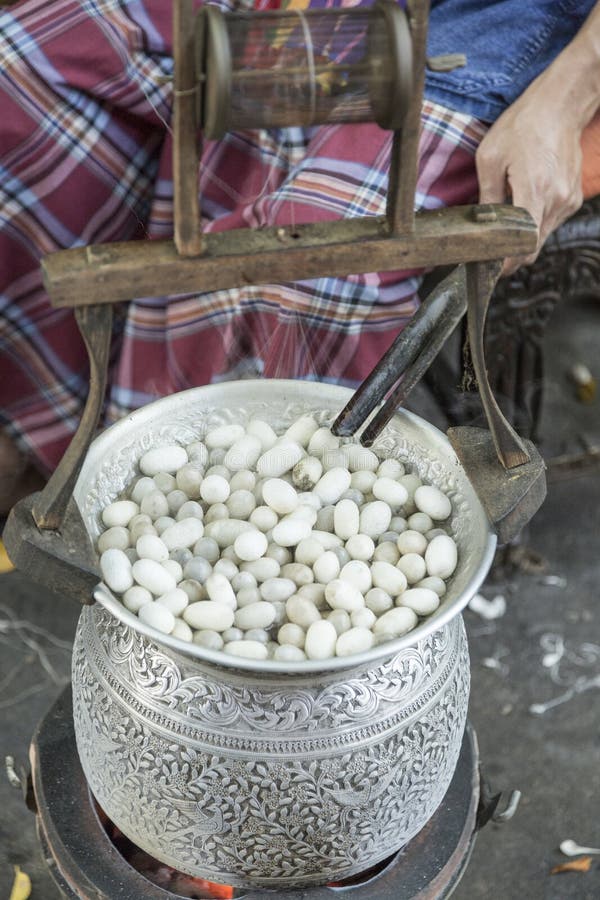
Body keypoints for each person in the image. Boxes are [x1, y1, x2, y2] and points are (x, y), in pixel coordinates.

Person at [0, 0, 598, 513]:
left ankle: (225, 510)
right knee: (19, 71)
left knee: (317, 259)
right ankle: (61, 438)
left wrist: (568, 96)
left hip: (506, 23)